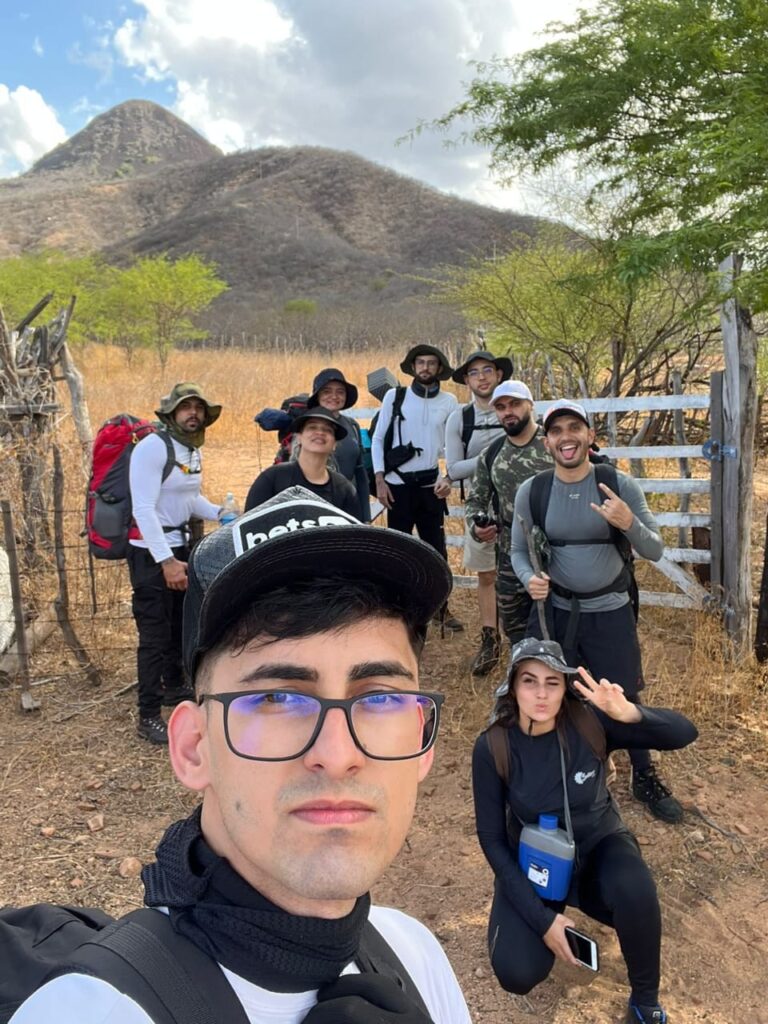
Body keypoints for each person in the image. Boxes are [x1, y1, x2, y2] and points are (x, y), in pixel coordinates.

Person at [12, 488, 471, 1024]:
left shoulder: (416, 955)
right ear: (193, 747)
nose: (337, 754)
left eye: (380, 698)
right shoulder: (91, 1012)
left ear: (421, 740)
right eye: (277, 698)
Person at [473, 637, 697, 1024]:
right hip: (536, 865)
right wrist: (543, 922)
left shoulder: (589, 722)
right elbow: (492, 841)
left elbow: (684, 733)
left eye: (552, 682)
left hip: (598, 848)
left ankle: (644, 1003)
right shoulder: (493, 747)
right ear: (512, 687)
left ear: (565, 688)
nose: (541, 694)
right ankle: (542, 917)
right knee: (516, 972)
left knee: (635, 891)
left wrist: (629, 713)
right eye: (529, 681)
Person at [511, 399, 683, 823]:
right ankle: (559, 772)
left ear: (590, 435)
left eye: (574, 427)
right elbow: (517, 550)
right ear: (546, 442)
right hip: (554, 612)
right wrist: (528, 579)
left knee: (623, 694)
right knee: (550, 692)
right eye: (556, 431)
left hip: (610, 611)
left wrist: (627, 523)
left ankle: (643, 774)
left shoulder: (619, 485)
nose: (565, 437)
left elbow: (654, 549)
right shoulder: (533, 491)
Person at [128, 382, 224, 746]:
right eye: (186, 407)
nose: (193, 413)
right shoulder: (152, 447)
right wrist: (166, 561)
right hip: (151, 552)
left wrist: (221, 513)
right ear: (171, 413)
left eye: (198, 407)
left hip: (179, 548)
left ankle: (172, 686)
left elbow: (189, 498)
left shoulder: (190, 450)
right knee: (154, 634)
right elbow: (143, 509)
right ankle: (148, 714)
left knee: (178, 625)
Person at [371, 344, 462, 632]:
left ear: (439, 368)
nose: (425, 367)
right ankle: (398, 612)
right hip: (398, 486)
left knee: (437, 551)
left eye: (431, 363)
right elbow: (378, 439)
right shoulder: (395, 396)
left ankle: (441, 609)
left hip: (430, 487)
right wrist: (380, 479)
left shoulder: (449, 402)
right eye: (420, 362)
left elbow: (454, 445)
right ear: (412, 367)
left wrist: (449, 478)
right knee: (398, 552)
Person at [465, 381, 551, 650]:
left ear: (530, 405)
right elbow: (475, 500)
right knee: (515, 627)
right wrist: (477, 527)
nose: (508, 412)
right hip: (510, 552)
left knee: (558, 623)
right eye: (501, 407)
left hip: (557, 551)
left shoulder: (554, 443)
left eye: (514, 404)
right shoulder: (491, 454)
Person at [445, 351, 511, 675]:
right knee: (487, 574)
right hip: (481, 505)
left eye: (487, 370)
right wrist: (496, 452)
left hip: (520, 503)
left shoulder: (512, 409)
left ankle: (526, 639)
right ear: (466, 380)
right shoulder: (460, 418)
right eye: (474, 372)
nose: (482, 377)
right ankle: (490, 641)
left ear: (498, 375)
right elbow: (454, 468)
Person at [245, 408, 359, 517]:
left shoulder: (344, 489)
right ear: (299, 438)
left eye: (327, 430)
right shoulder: (272, 478)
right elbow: (248, 525)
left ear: (334, 444)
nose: (320, 432)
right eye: (312, 427)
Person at [307, 368, 371, 522]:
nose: (334, 396)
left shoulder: (352, 426)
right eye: (327, 391)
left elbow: (360, 473)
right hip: (316, 510)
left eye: (340, 392)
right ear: (317, 395)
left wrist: (365, 517)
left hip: (349, 506)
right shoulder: (306, 427)